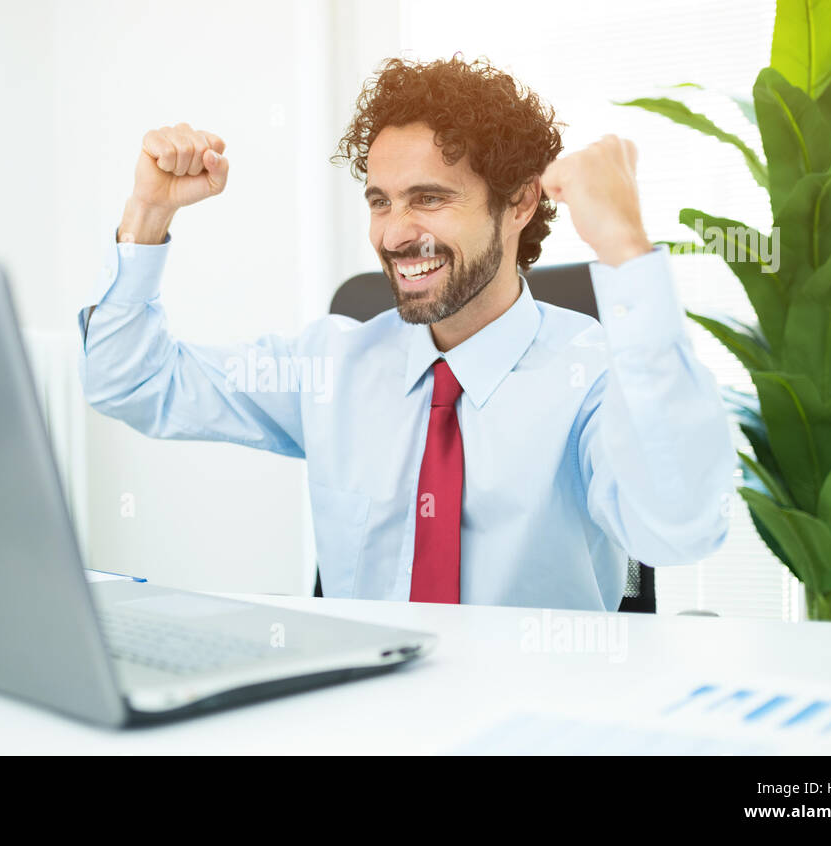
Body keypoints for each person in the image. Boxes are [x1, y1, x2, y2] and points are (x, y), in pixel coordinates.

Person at [78, 56, 735, 611]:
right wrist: (149, 212)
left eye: (429, 199)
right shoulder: (331, 364)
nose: (393, 234)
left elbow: (679, 531)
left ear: (520, 203)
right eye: (380, 201)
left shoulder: (593, 376)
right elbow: (128, 380)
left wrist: (623, 246)